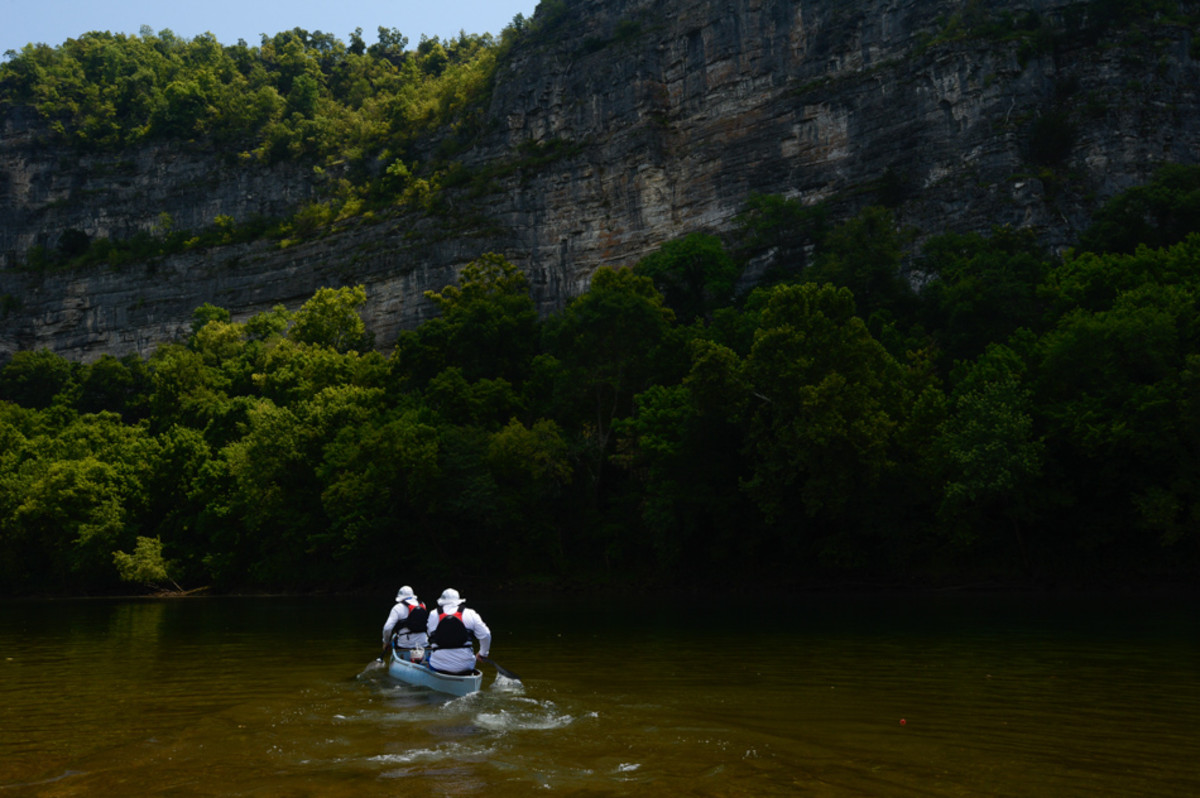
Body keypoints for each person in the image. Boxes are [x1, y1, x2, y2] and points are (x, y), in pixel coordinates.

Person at [426, 588, 491, 675]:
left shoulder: (433, 614)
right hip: (466, 666)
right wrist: (483, 653)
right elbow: (486, 635)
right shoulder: (470, 613)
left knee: (428, 660)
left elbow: (430, 636)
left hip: (439, 666)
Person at [381, 586, 429, 662]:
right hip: (423, 643)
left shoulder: (397, 607)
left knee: (397, 642)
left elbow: (387, 628)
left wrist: (386, 642)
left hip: (405, 645)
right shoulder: (423, 604)